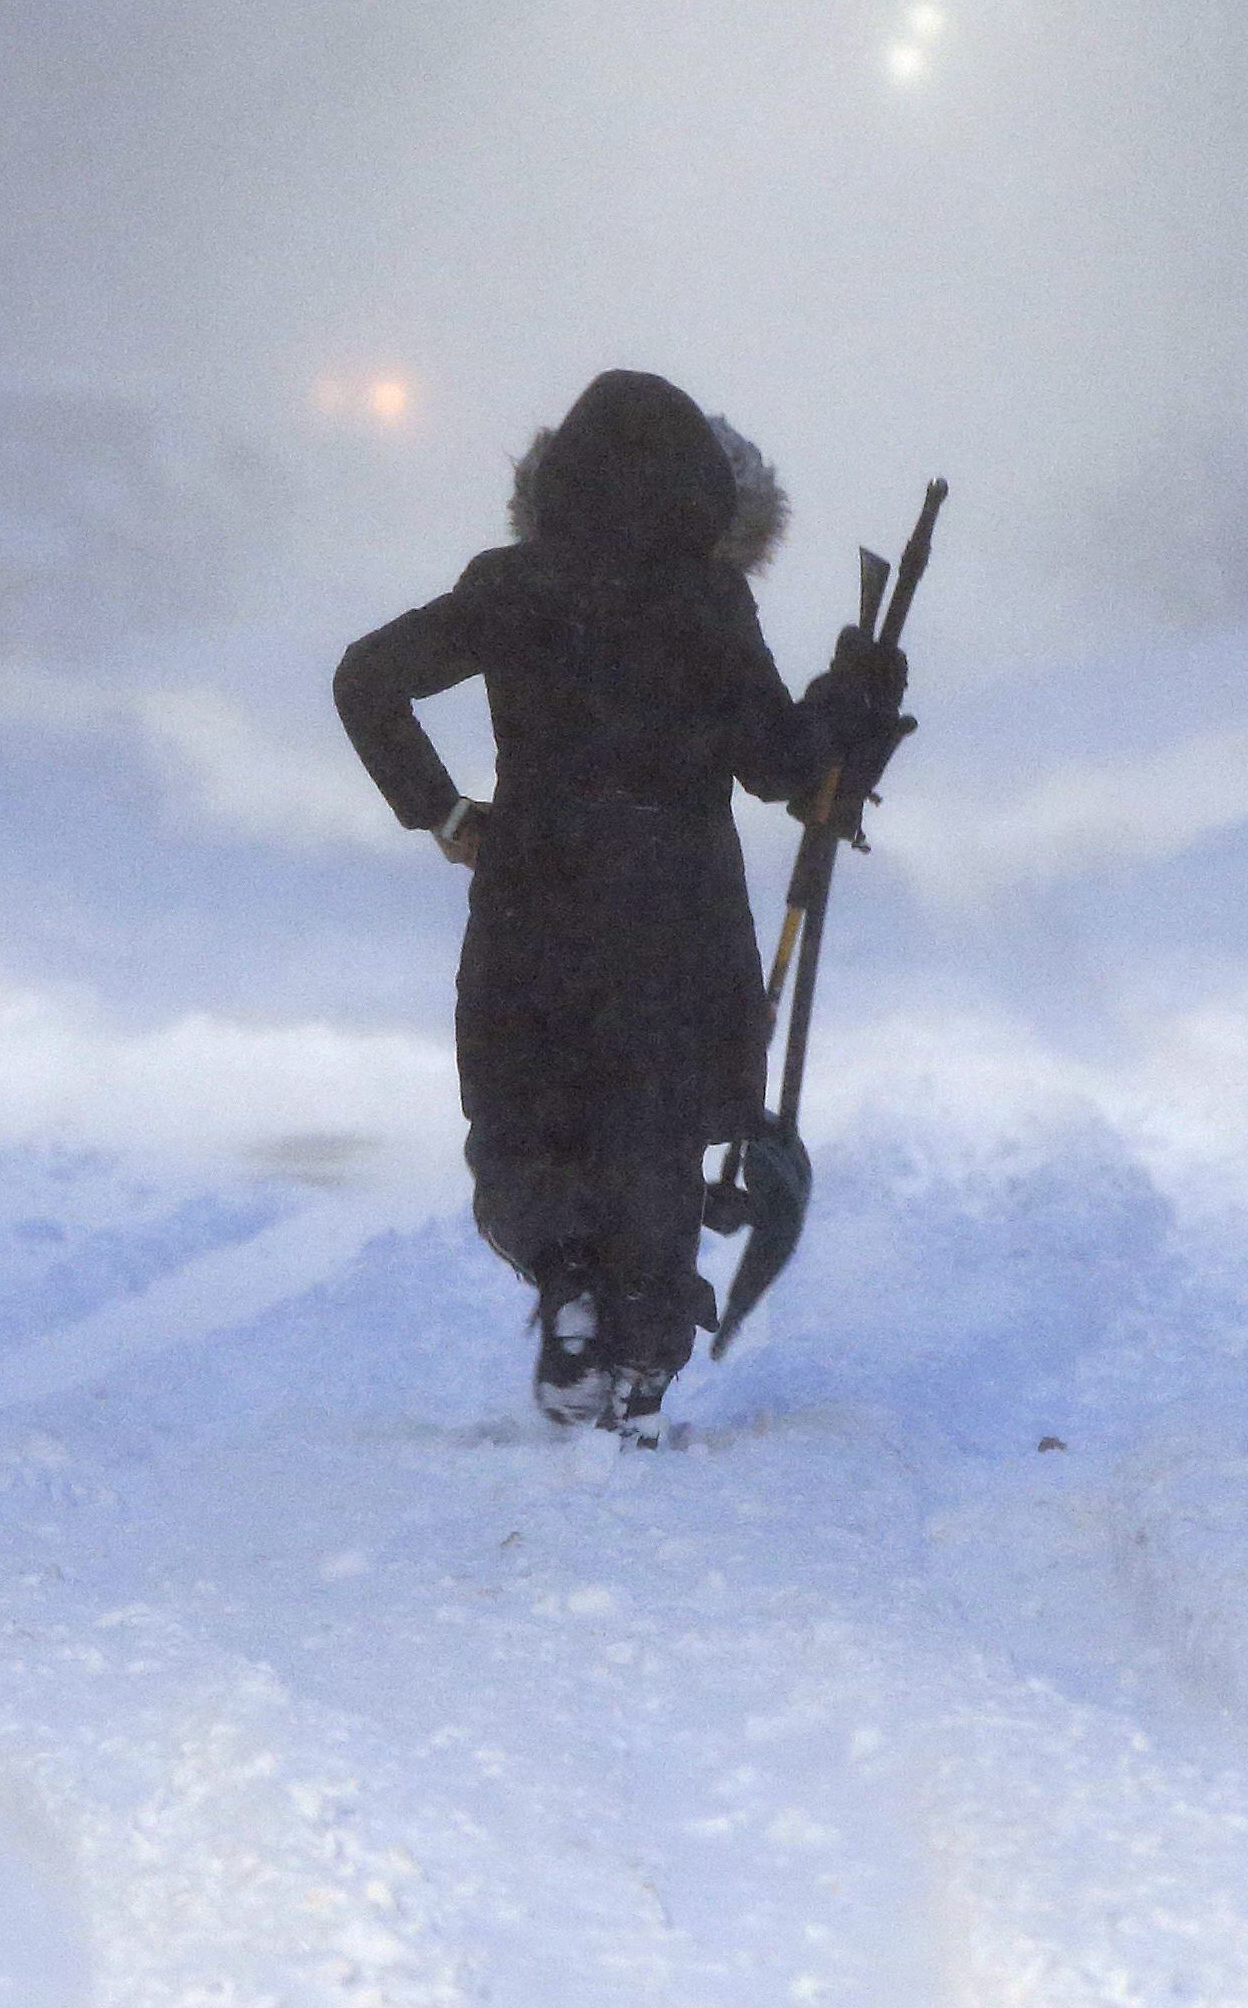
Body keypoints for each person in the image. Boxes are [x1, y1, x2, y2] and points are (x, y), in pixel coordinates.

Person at [335, 371, 908, 1431]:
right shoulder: (705, 600)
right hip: (675, 913)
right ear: (702, 492)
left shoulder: (509, 586)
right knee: (655, 1130)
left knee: (528, 1119)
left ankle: (567, 1291)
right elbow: (780, 767)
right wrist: (850, 698)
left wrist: (444, 814)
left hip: (533, 902)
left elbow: (367, 678)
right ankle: (642, 1359)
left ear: (556, 478)